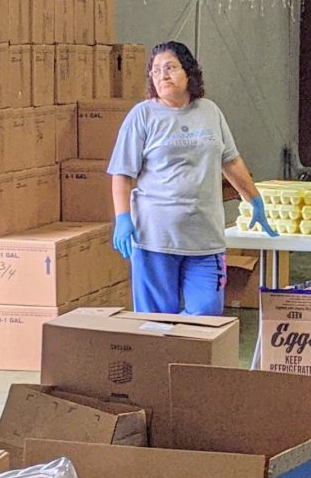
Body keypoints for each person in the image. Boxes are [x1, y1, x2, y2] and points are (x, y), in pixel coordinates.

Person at [107, 41, 276, 315]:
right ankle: (163, 359)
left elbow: (230, 160)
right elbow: (122, 174)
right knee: (156, 322)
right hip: (155, 237)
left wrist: (254, 199)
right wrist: (123, 218)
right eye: (156, 70)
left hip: (204, 239)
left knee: (206, 313)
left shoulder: (209, 112)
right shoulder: (142, 116)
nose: (163, 75)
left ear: (189, 73)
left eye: (170, 68)